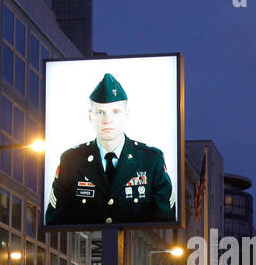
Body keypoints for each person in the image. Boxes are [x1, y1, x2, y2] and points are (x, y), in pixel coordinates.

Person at [45, 72, 175, 226]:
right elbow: (55, 221)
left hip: (134, 247)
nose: (107, 120)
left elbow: (166, 220)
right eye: (100, 112)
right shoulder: (71, 160)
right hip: (84, 248)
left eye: (115, 112)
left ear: (126, 114)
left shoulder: (151, 160)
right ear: (90, 116)